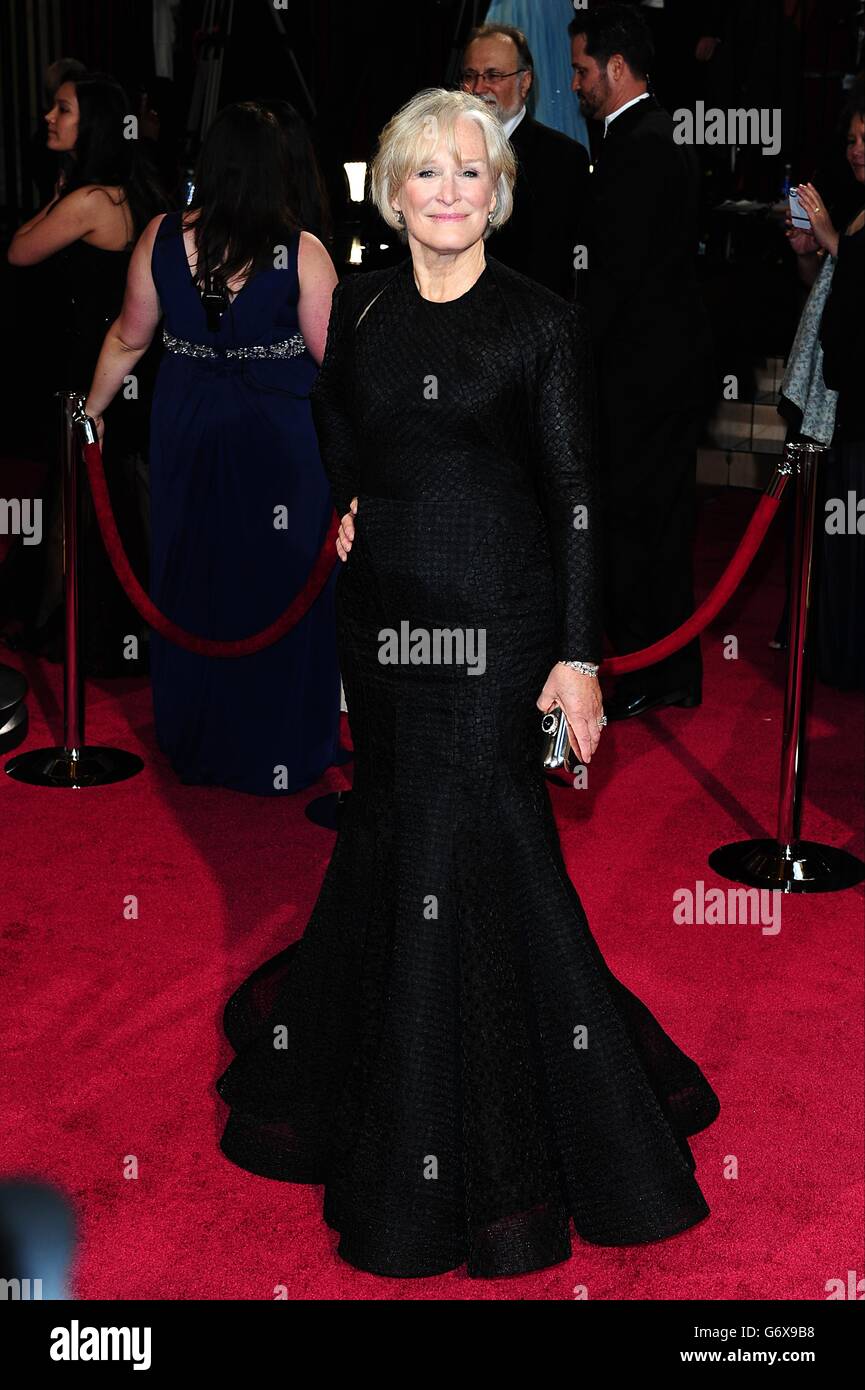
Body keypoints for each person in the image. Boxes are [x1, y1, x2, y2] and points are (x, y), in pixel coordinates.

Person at [215, 87, 720, 1280]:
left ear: (498, 192)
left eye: (472, 172)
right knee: (400, 835)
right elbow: (343, 428)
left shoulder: (539, 324)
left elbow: (577, 497)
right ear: (391, 195)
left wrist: (580, 657)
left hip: (497, 633)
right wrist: (347, 510)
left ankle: (497, 1148)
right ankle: (401, 1082)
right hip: (382, 631)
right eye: (427, 174)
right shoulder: (368, 312)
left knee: (480, 838)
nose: (450, 191)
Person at [83, 101, 343, 793]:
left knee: (192, 573)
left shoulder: (161, 237)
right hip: (279, 442)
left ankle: (197, 738)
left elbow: (128, 337)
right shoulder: (304, 252)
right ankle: (282, 745)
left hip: (187, 426)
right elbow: (337, 370)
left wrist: (94, 409)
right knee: (279, 580)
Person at [569, 3, 710, 720]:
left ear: (616, 68)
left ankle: (655, 671)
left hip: (639, 380)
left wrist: (572, 354)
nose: (575, 83)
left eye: (582, 69)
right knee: (650, 523)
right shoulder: (653, 135)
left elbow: (616, 279)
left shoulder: (641, 144)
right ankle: (663, 670)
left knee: (638, 526)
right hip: (653, 375)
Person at [5, 71, 167, 676]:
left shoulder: (90, 200)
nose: (49, 116)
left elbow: (19, 249)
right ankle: (97, 619)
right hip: (126, 366)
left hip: (95, 368)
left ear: (91, 126)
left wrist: (59, 189)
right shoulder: (128, 192)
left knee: (79, 496)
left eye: (63, 109)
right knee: (100, 496)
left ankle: (74, 623)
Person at [785, 97, 865, 691]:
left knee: (849, 532)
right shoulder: (860, 211)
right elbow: (832, 288)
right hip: (827, 394)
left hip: (854, 403)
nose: (856, 150)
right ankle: (821, 638)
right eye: (852, 140)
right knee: (828, 530)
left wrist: (830, 235)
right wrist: (811, 253)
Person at [459, 23, 590, 300]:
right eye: (471, 75)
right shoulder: (445, 152)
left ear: (525, 82)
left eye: (493, 75)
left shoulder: (562, 158)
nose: (478, 88)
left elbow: (550, 269)